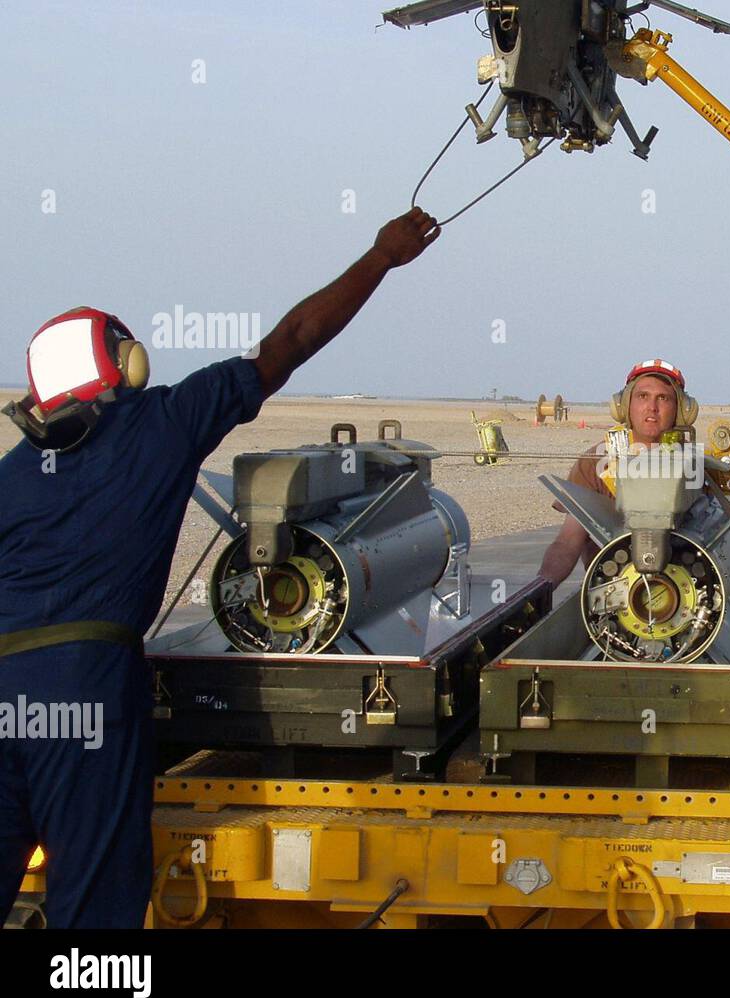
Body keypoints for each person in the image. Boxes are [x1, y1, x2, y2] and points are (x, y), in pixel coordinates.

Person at [0, 207, 441, 928]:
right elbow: (291, 341)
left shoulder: (13, 473)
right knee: (95, 903)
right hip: (82, 692)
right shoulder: (162, 423)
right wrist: (379, 258)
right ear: (126, 364)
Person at [539, 359, 698, 586]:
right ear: (623, 406)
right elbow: (568, 542)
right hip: (611, 597)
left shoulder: (693, 465)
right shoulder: (596, 462)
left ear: (681, 411)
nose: (652, 407)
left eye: (663, 398)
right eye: (643, 396)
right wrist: (542, 587)